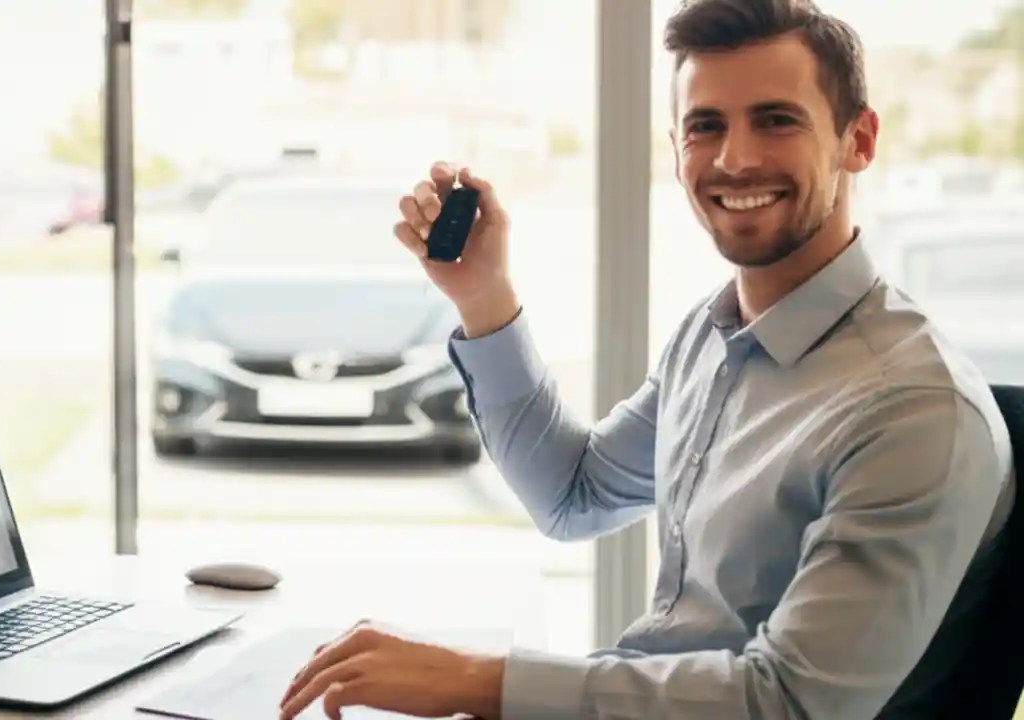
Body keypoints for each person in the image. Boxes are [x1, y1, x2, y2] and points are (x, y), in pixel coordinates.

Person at [279, 0, 1017, 718]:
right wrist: (483, 295)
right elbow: (573, 495)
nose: (734, 158)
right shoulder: (716, 330)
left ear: (858, 140)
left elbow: (788, 702)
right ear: (675, 149)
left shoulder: (913, 409)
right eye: (705, 126)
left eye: (776, 119)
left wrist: (479, 684)